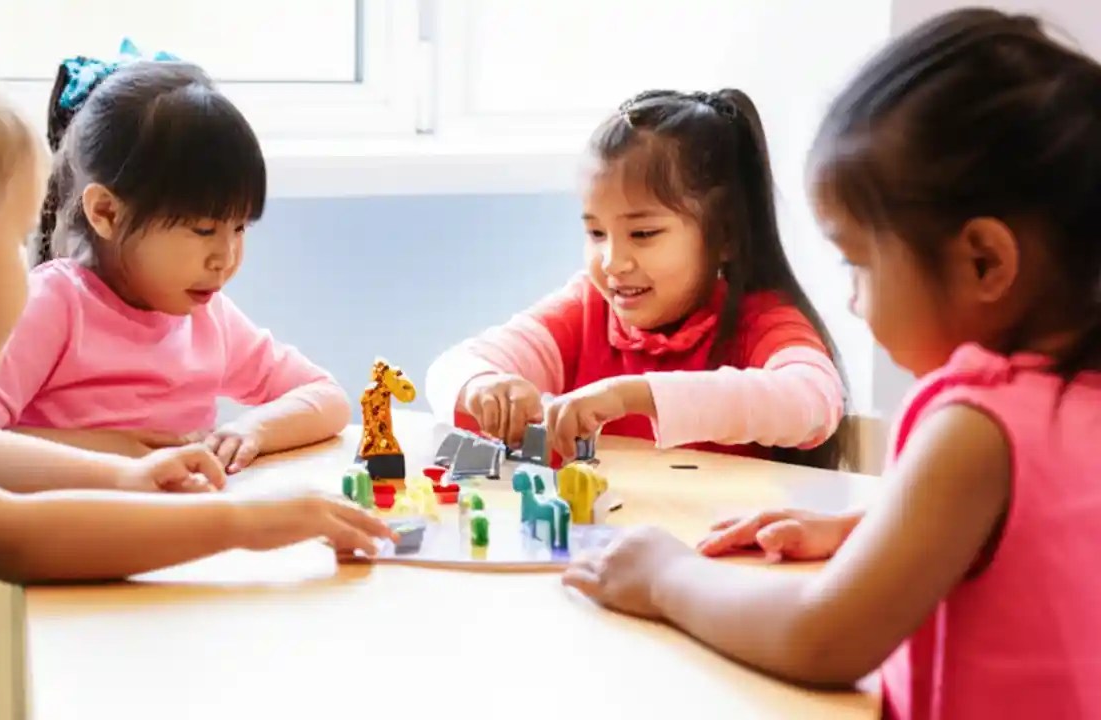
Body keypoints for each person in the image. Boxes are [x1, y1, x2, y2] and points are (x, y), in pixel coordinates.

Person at [0, 26, 390, 718]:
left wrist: (122, 477)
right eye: (11, 241)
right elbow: (12, 537)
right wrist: (241, 522)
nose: (33, 258)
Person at [564, 9, 1101, 718]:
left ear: (983, 261)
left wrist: (668, 577)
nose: (851, 299)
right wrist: (877, 529)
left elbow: (825, 637)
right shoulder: (1077, 401)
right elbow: (1037, 546)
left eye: (859, 263)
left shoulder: (977, 426)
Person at [0, 47, 347, 474]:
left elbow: (326, 396)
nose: (225, 258)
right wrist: (107, 450)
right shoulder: (56, 305)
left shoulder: (209, 319)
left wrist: (253, 428)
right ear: (106, 213)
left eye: (239, 228)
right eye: (203, 230)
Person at [425, 88, 847, 468]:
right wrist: (484, 386)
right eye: (595, 233)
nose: (612, 262)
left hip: (714, 553)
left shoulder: (759, 320)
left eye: (643, 234)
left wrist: (631, 396)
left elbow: (814, 402)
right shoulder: (586, 309)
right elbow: (450, 369)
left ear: (725, 236)